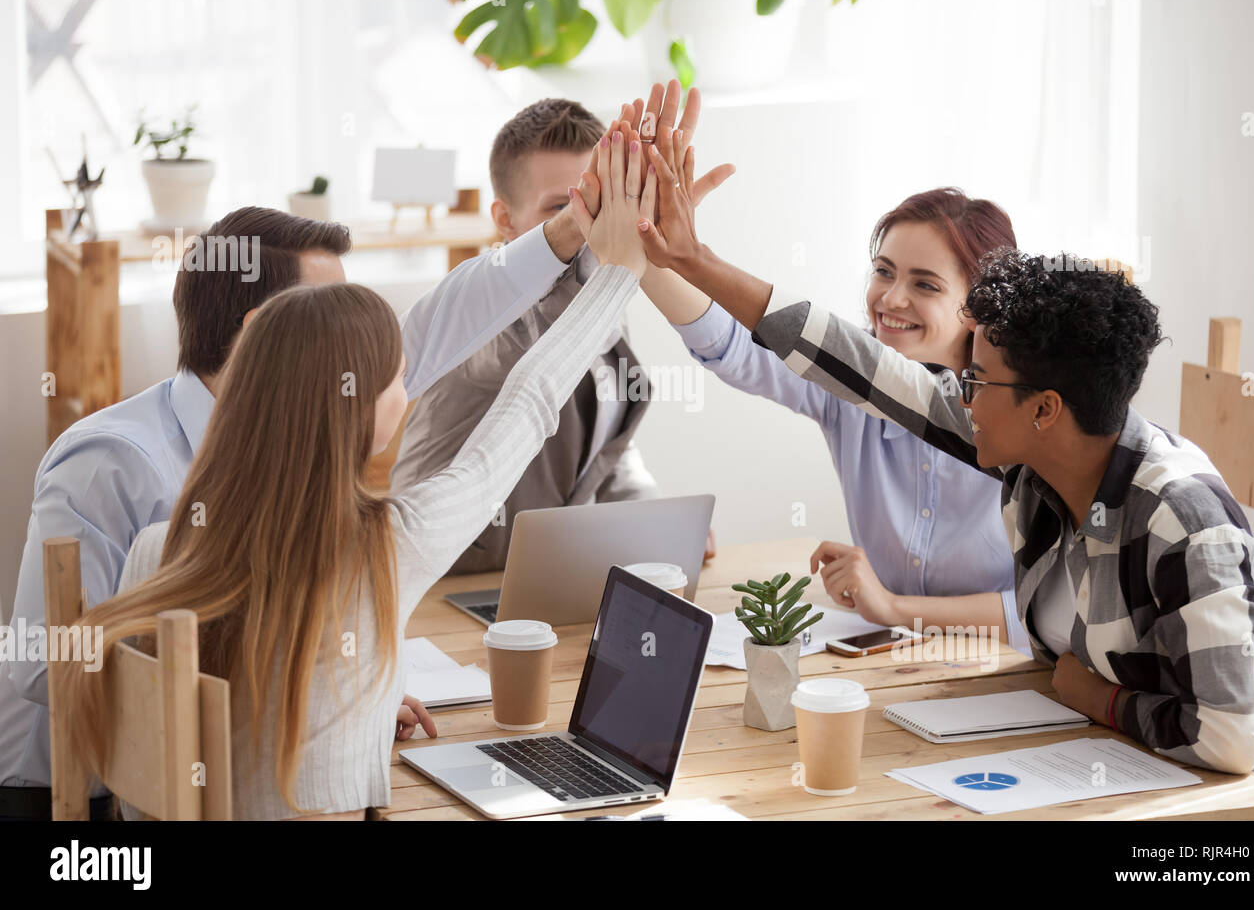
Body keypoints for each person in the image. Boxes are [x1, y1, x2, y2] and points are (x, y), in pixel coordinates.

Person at [629, 142, 1254, 790]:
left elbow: (1232, 739)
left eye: (975, 381)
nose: (959, 396)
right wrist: (689, 257)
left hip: (1233, 807)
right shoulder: (1035, 462)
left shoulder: (1182, 518)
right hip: (1110, 760)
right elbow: (847, 359)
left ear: (1043, 409)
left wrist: (1096, 696)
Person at [56, 120, 654, 819]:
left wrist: (355, 698)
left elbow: (240, 709)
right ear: (353, 406)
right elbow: (530, 402)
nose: (409, 384)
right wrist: (619, 272)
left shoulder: (161, 547)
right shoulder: (384, 547)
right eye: (395, 376)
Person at [639, 182, 1025, 649]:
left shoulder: (1023, 414)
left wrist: (895, 607)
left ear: (980, 307)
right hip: (891, 660)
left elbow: (1036, 611)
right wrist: (643, 246)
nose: (891, 299)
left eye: (924, 284)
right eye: (884, 272)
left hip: (1007, 670)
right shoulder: (847, 381)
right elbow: (733, 347)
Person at [392, 87, 731, 572]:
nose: (593, 226)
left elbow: (604, 445)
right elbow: (540, 346)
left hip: (539, 577)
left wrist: (659, 522)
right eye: (565, 207)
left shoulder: (600, 287)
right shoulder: (475, 313)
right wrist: (619, 240)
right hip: (444, 580)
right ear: (504, 220)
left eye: (603, 198)